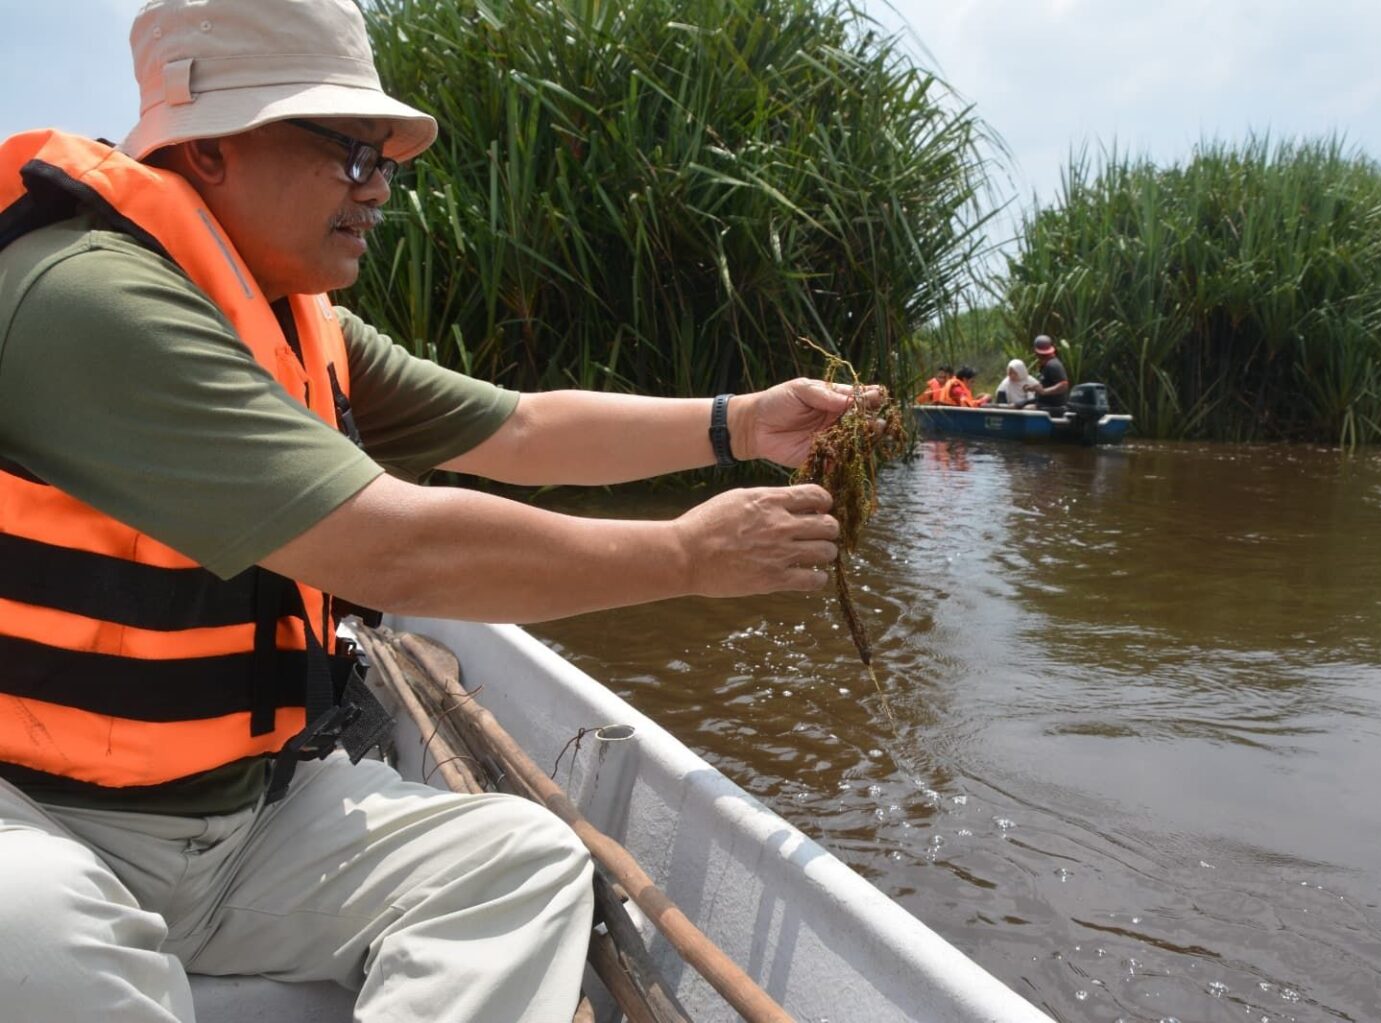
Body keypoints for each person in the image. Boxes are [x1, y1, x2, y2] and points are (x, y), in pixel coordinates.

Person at [0, 3, 875, 1021]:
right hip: (42, 819)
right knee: (30, 937)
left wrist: (742, 424)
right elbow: (391, 553)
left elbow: (523, 431)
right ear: (209, 152)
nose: (378, 190)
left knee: (523, 866)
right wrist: (685, 553)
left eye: (385, 162)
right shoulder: (84, 301)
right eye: (350, 155)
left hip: (245, 819)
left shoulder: (286, 307)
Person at [1024, 334, 1070, 410]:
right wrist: (1033, 388)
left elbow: (1064, 385)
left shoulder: (1053, 365)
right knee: (1019, 404)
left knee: (1027, 408)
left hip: (1053, 406)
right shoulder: (1046, 365)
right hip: (1044, 402)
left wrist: (1044, 391)